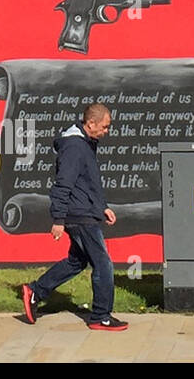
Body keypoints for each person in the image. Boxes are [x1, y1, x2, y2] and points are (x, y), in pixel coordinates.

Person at [20, 103, 128, 331]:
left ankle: (35, 291)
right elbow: (63, 184)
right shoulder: (74, 147)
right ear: (91, 123)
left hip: (84, 211)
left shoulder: (85, 144)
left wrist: (102, 207)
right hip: (79, 215)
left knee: (77, 261)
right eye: (104, 126)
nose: (107, 131)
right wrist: (58, 220)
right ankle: (100, 316)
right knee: (103, 264)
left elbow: (87, 183)